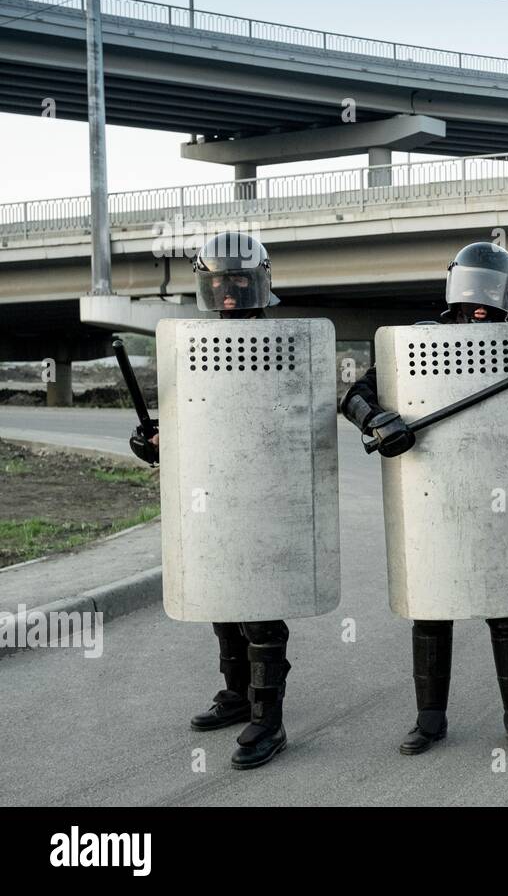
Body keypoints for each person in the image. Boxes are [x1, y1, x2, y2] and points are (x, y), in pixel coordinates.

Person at [339, 242, 508, 757]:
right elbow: (354, 395)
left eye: (490, 291)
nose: (480, 302)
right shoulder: (416, 343)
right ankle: (430, 720)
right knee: (431, 609)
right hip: (433, 493)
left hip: (500, 493)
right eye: (474, 287)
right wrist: (377, 419)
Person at [128, 231, 293, 770]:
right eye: (219, 281)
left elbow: (302, 419)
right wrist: (155, 441)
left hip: (266, 490)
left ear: (258, 283)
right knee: (223, 600)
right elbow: (183, 418)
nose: (227, 292)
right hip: (211, 493)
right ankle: (238, 694)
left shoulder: (286, 344)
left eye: (238, 280)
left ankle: (269, 721)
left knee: (260, 608)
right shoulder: (191, 343)